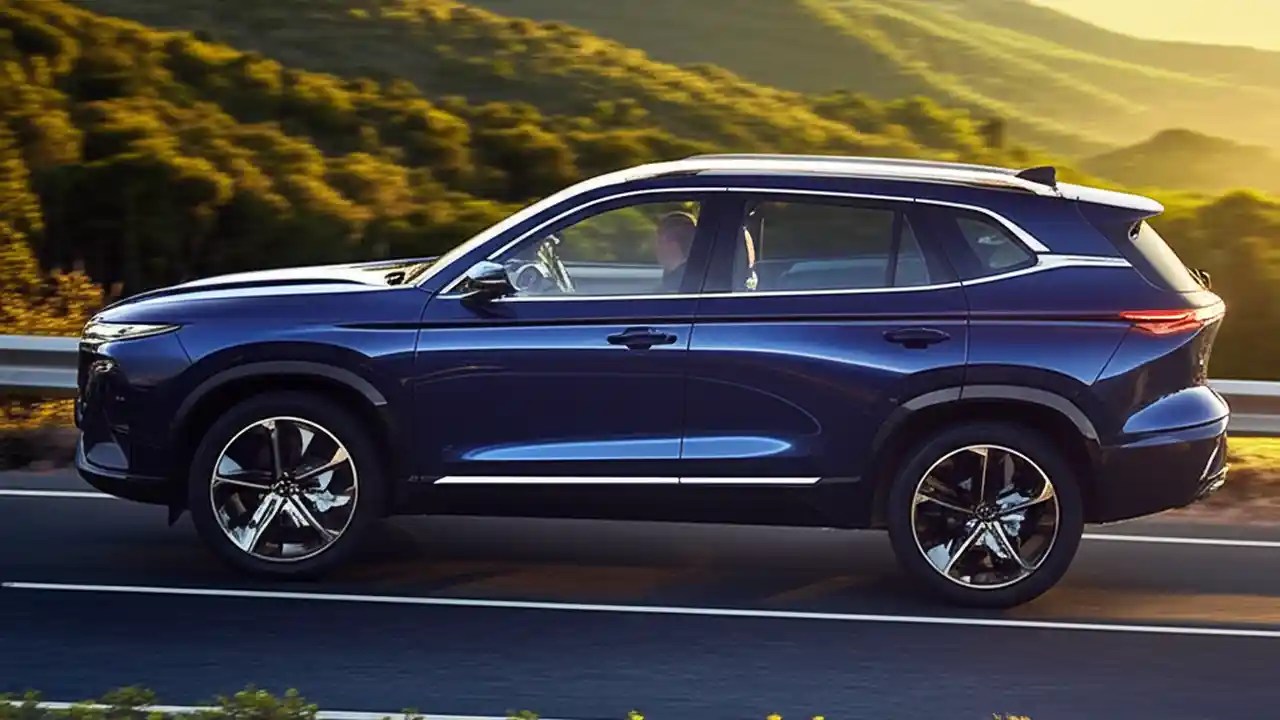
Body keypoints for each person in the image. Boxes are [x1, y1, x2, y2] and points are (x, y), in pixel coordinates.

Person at [653, 211, 696, 292]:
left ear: (673, 245)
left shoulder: (676, 287)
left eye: (659, 241)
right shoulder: (693, 276)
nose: (656, 247)